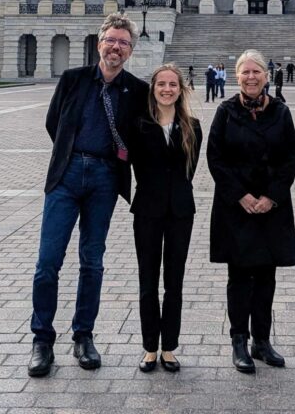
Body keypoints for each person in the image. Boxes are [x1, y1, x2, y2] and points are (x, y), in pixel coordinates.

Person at [27, 15, 149, 377]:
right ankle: (42, 339)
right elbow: (54, 123)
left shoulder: (137, 90)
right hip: (67, 176)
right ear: (100, 44)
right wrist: (71, 154)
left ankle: (84, 335)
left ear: (130, 50)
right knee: (48, 261)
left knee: (92, 262)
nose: (116, 47)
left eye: (123, 42)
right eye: (111, 40)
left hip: (104, 178)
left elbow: (141, 137)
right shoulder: (73, 79)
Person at [207, 49, 295, 374]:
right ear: (237, 76)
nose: (250, 77)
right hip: (236, 208)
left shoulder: (281, 112)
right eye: (245, 72)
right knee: (238, 277)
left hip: (271, 207)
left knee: (266, 276)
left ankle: (262, 341)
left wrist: (271, 197)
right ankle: (238, 341)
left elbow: (291, 157)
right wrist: (241, 196)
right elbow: (214, 158)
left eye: (256, 72)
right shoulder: (226, 111)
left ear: (265, 75)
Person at [129, 64, 202, 373]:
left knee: (174, 282)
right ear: (154, 88)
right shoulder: (139, 124)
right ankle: (149, 347)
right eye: (162, 84)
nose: (167, 89)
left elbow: (191, 170)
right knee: (148, 280)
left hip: (180, 212)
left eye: (173, 84)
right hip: (147, 209)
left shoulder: (193, 126)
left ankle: (169, 347)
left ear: (180, 89)